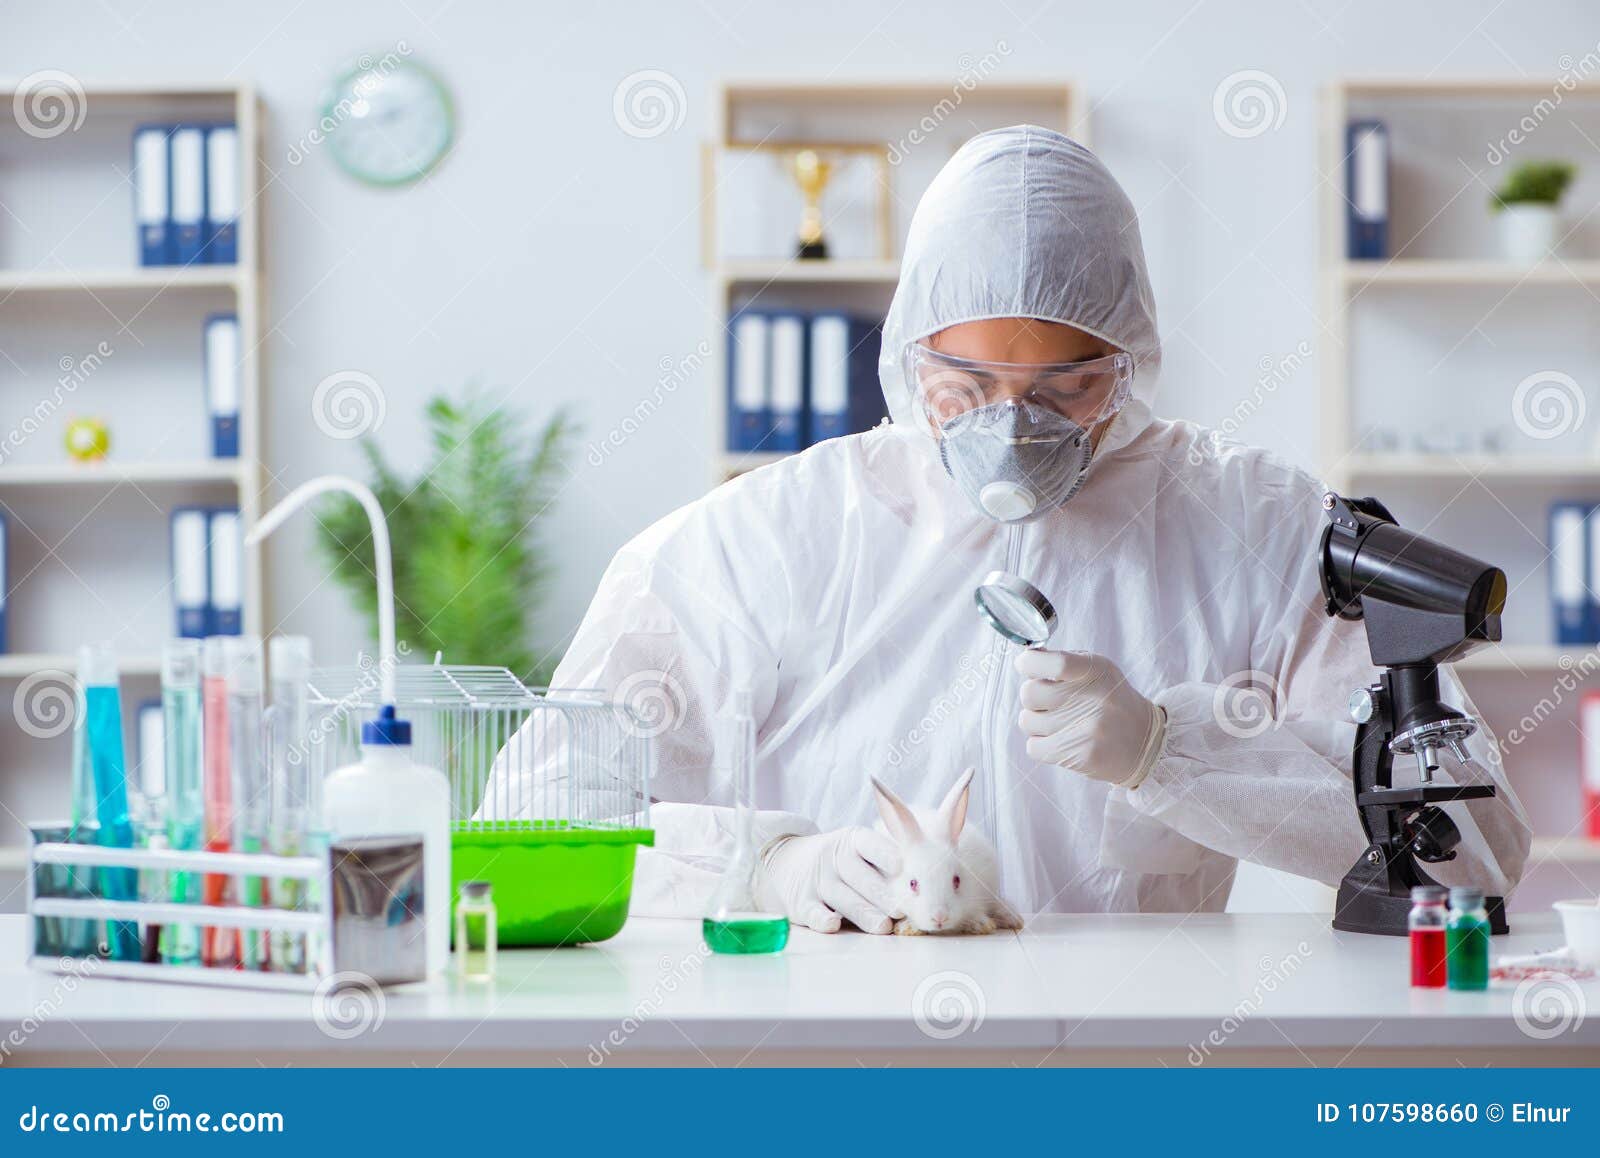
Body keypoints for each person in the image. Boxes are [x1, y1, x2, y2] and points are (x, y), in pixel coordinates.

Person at [500, 125, 1530, 934]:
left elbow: (1477, 848)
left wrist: (1176, 750)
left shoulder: (1252, 525)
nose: (1010, 425)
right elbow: (533, 823)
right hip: (834, 1046)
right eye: (965, 383)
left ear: (1129, 360)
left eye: (1065, 387)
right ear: (908, 355)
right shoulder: (774, 536)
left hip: (1130, 1060)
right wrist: (766, 865)